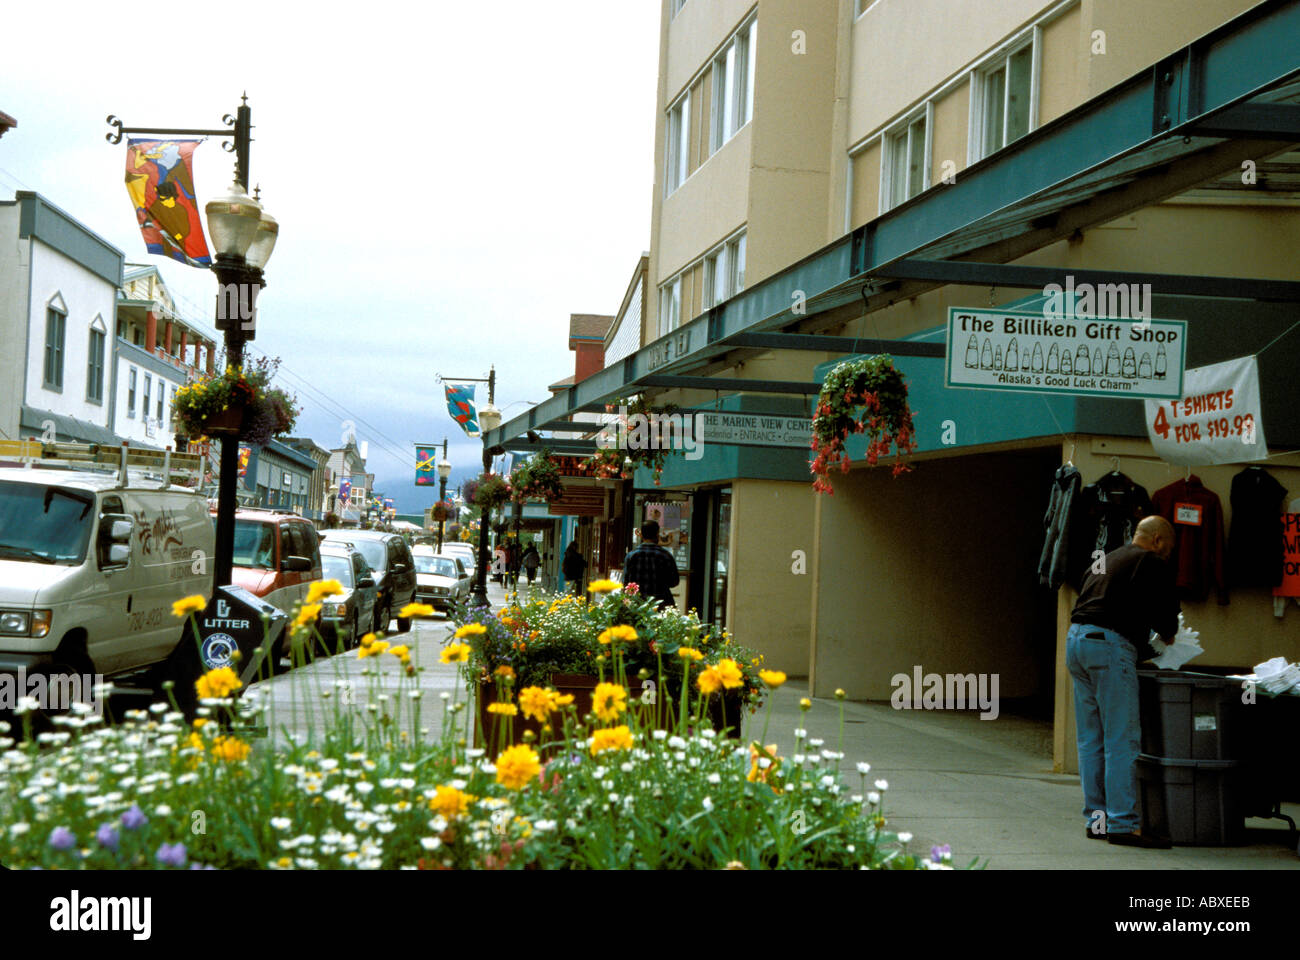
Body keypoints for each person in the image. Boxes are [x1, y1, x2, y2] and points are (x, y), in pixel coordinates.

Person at [1068, 515, 1180, 849]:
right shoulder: (1149, 561)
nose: (1167, 556)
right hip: (1109, 647)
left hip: (1076, 642)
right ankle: (1121, 823)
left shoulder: (1109, 557)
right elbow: (1167, 622)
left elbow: (1092, 597)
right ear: (1158, 540)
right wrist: (1168, 636)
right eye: (1169, 549)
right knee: (1121, 739)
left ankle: (1097, 820)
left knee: (1091, 738)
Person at [622, 520, 679, 610]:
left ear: (641, 535)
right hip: (661, 605)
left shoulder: (631, 556)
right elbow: (674, 582)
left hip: (637, 605)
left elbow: (625, 583)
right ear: (657, 534)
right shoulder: (665, 555)